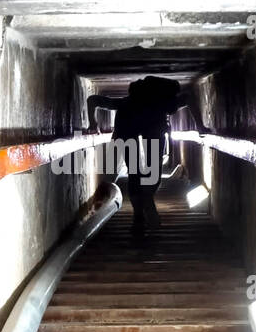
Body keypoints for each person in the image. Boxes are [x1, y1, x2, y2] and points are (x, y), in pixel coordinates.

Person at [86, 76, 207, 239]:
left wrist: (93, 125)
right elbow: (188, 99)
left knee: (134, 173)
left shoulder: (126, 104)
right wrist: (200, 126)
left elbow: (93, 99)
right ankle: (147, 200)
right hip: (149, 129)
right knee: (152, 172)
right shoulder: (160, 104)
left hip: (128, 130)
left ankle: (138, 216)